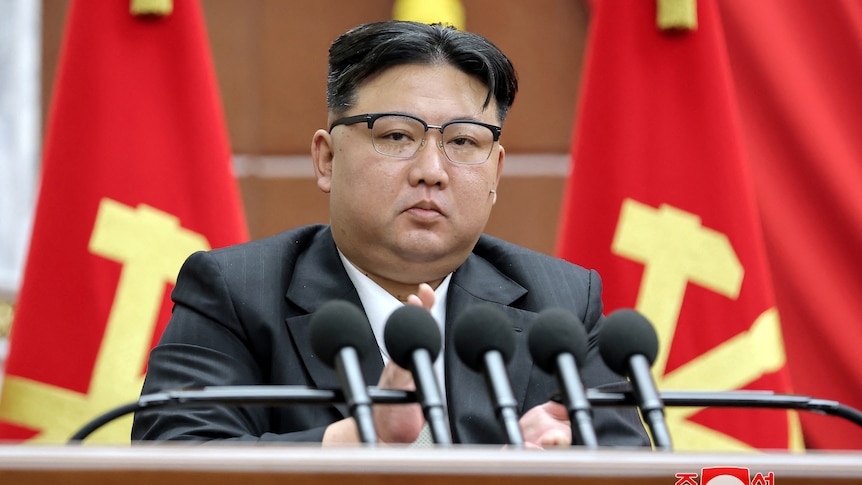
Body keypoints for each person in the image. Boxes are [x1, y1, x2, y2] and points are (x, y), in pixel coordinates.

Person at [131, 20, 649, 448]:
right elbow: (173, 460)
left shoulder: (561, 305)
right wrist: (359, 439)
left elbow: (639, 473)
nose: (432, 170)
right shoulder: (234, 292)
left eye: (464, 141)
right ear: (327, 158)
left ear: (495, 172)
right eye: (397, 135)